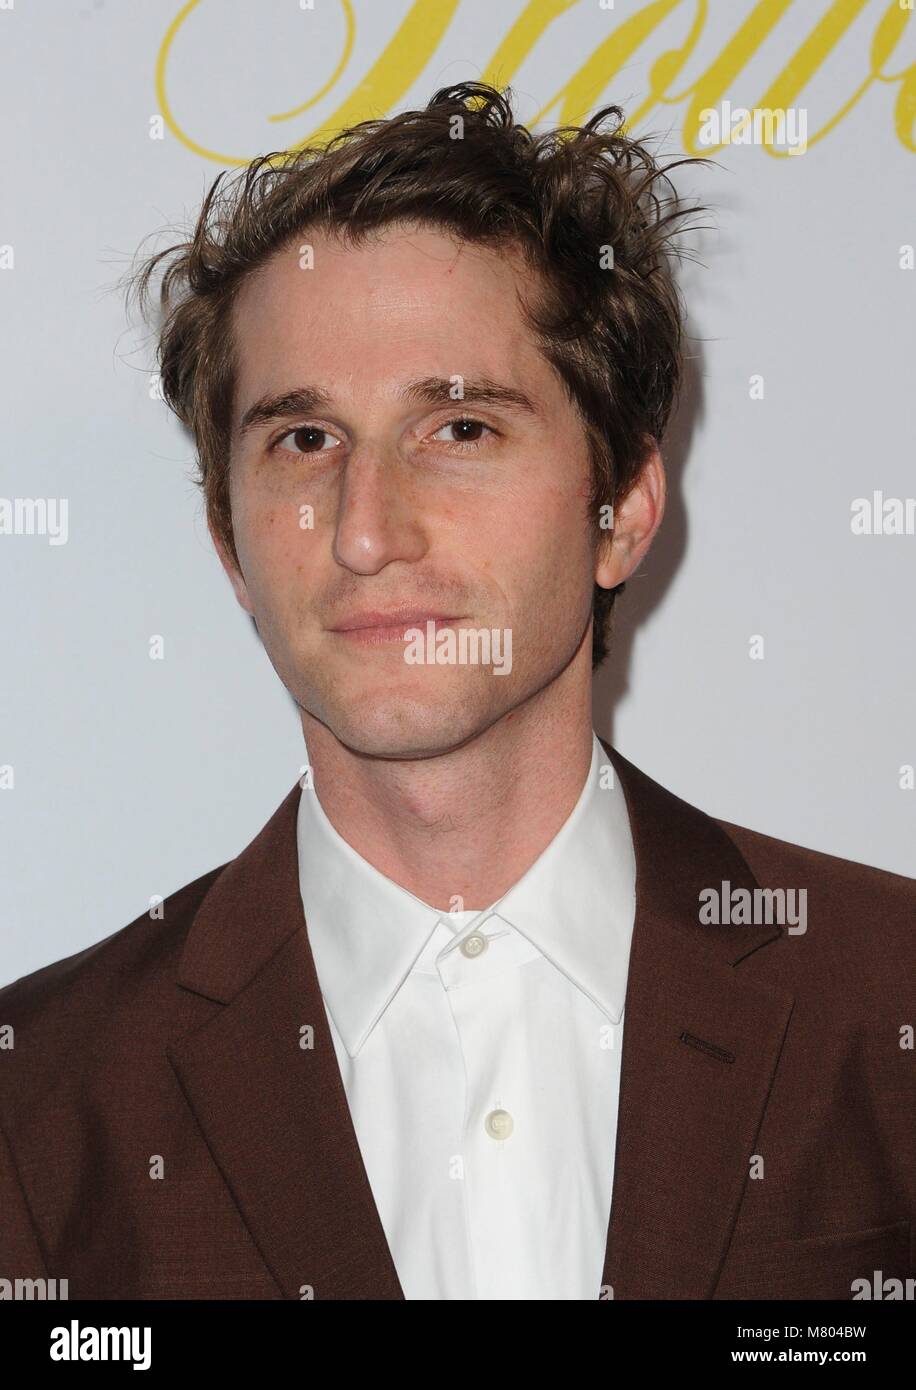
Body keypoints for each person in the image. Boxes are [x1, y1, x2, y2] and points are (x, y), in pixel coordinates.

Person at [1, 83, 912, 1301]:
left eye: (461, 429)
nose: (367, 532)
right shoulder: (39, 1105)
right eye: (304, 441)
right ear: (228, 544)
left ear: (621, 512)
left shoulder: (884, 1000)